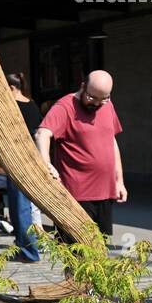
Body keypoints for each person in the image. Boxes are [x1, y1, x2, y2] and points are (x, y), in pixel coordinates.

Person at [35, 70, 126, 239]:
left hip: (105, 192)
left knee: (99, 249)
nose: (97, 103)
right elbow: (42, 134)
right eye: (93, 98)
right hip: (76, 194)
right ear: (83, 86)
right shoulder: (65, 106)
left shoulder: (107, 105)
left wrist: (119, 181)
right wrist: (46, 165)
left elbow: (111, 142)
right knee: (77, 250)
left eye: (103, 98)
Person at [5, 71, 43, 262]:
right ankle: (22, 247)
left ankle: (29, 251)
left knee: (20, 207)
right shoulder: (33, 105)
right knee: (18, 206)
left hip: (18, 159)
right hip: (28, 159)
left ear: (12, 88)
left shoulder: (13, 106)